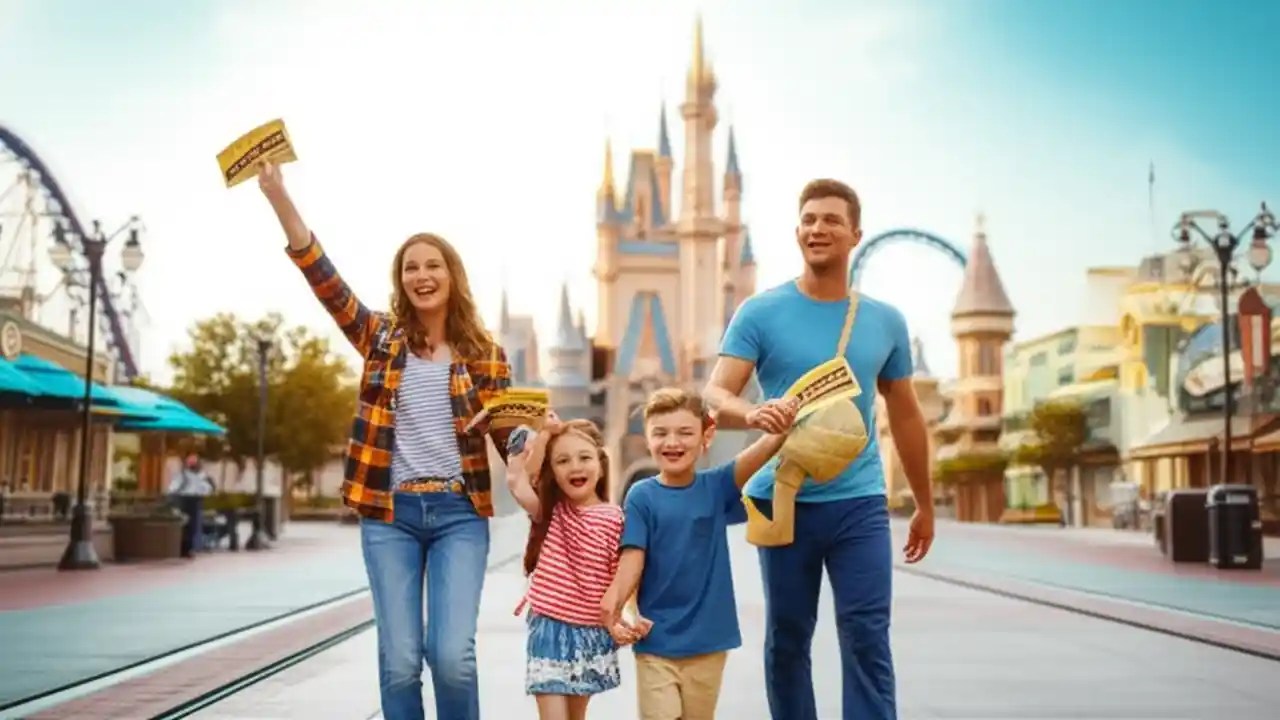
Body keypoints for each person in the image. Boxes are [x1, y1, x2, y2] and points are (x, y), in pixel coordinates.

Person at [257, 161, 513, 720]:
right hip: (389, 513)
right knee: (399, 660)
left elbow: (509, 429)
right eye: (410, 267)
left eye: (433, 265)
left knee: (452, 658)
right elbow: (321, 275)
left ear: (452, 275)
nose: (422, 275)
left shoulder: (486, 354)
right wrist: (279, 195)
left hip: (459, 514)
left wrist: (530, 449)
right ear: (401, 280)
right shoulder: (380, 338)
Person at [704, 178, 936, 720]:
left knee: (867, 636)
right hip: (782, 498)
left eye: (831, 219)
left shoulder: (885, 321)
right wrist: (753, 412)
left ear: (855, 234)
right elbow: (714, 394)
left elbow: (906, 414)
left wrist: (923, 502)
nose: (818, 228)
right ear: (796, 233)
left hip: (859, 502)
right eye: (809, 219)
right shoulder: (760, 313)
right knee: (787, 639)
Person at [600, 387, 797, 720]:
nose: (672, 442)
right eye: (660, 433)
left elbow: (763, 450)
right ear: (648, 439)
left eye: (685, 432)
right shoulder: (641, 496)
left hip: (708, 642)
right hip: (655, 640)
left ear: (706, 437)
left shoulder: (716, 487)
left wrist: (783, 423)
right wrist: (614, 602)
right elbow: (633, 555)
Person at [505, 417, 633, 720]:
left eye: (585, 457)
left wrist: (622, 618)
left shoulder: (616, 519)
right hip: (549, 628)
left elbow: (622, 576)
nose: (575, 467)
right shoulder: (551, 512)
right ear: (554, 472)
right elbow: (519, 481)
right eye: (563, 461)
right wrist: (544, 435)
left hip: (589, 632)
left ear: (601, 465)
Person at [167, 453, 214, 558]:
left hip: (195, 500)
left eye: (194, 462)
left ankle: (189, 548)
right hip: (184, 499)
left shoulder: (202, 475)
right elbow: (173, 487)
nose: (192, 464)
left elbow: (208, 488)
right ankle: (183, 548)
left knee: (193, 525)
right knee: (185, 525)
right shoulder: (182, 474)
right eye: (190, 461)